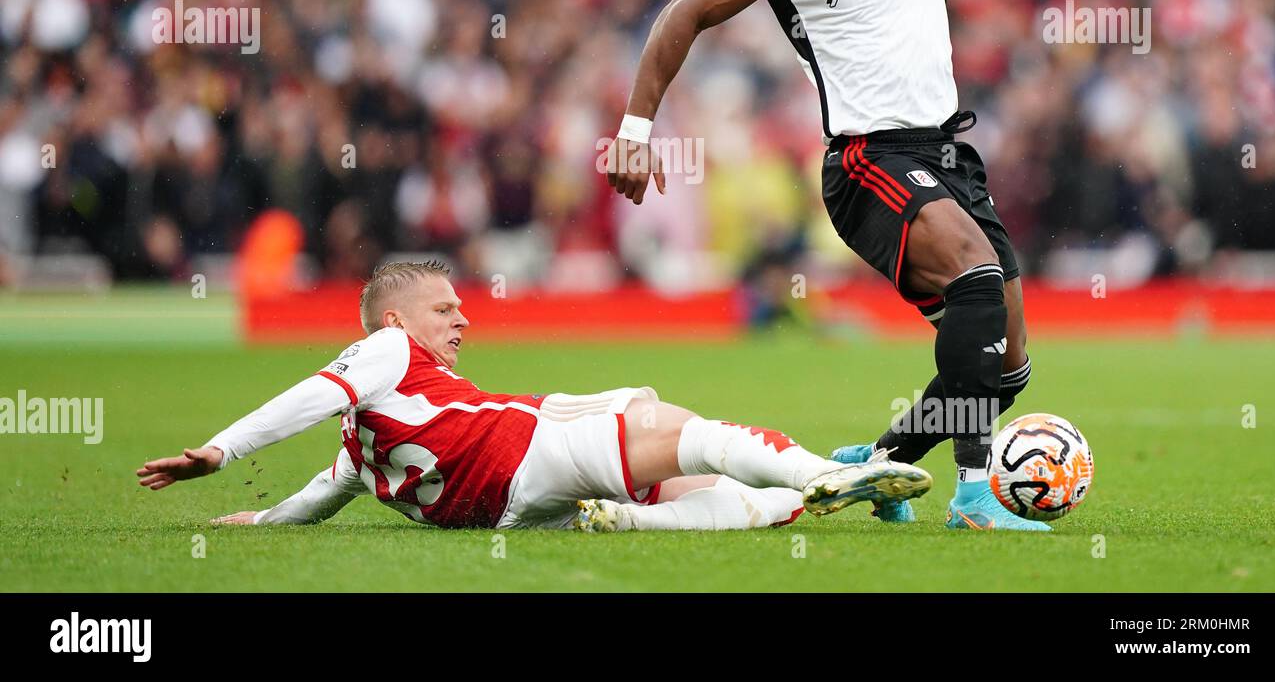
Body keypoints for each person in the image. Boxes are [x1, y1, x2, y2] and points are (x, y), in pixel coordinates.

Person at [607, 0, 1168, 531]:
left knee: (1006, 365)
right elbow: (686, 10)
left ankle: (873, 464)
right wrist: (635, 127)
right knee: (976, 279)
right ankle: (975, 499)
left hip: (947, 157)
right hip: (868, 161)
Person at [136, 260, 931, 532]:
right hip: (535, 443)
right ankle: (828, 471)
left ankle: (639, 521)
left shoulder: (362, 451)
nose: (462, 317)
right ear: (394, 319)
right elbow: (311, 393)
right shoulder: (386, 350)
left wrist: (258, 520)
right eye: (444, 309)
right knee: (683, 425)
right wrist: (221, 451)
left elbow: (314, 500)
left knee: (722, 494)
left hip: (520, 505)